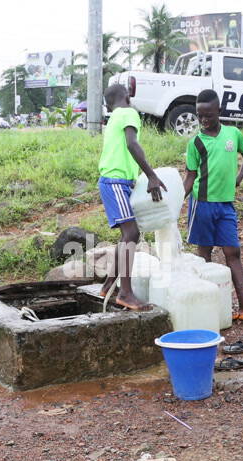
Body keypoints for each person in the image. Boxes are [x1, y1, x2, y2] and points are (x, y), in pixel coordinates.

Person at [183, 89, 243, 322]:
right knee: (204, 254)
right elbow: (190, 176)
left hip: (226, 205)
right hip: (202, 205)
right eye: (199, 115)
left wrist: (238, 179)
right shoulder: (195, 142)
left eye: (208, 115)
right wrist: (176, 201)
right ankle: (204, 308)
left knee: (232, 251)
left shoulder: (233, 134)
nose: (203, 120)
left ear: (219, 112)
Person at [98, 84, 166, 311]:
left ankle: (109, 284)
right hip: (115, 181)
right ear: (127, 96)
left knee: (128, 235)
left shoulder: (115, 116)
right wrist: (152, 175)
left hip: (117, 181)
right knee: (131, 233)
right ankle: (125, 293)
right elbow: (131, 143)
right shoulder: (129, 113)